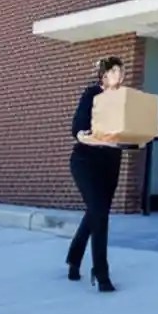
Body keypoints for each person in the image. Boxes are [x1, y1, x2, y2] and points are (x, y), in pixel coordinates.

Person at [65, 56, 126, 292]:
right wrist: (86, 134)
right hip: (86, 160)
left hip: (110, 161)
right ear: (104, 75)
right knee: (99, 213)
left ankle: (73, 258)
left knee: (96, 212)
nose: (119, 75)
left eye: (121, 71)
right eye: (115, 71)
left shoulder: (123, 100)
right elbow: (78, 127)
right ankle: (101, 274)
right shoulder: (92, 94)